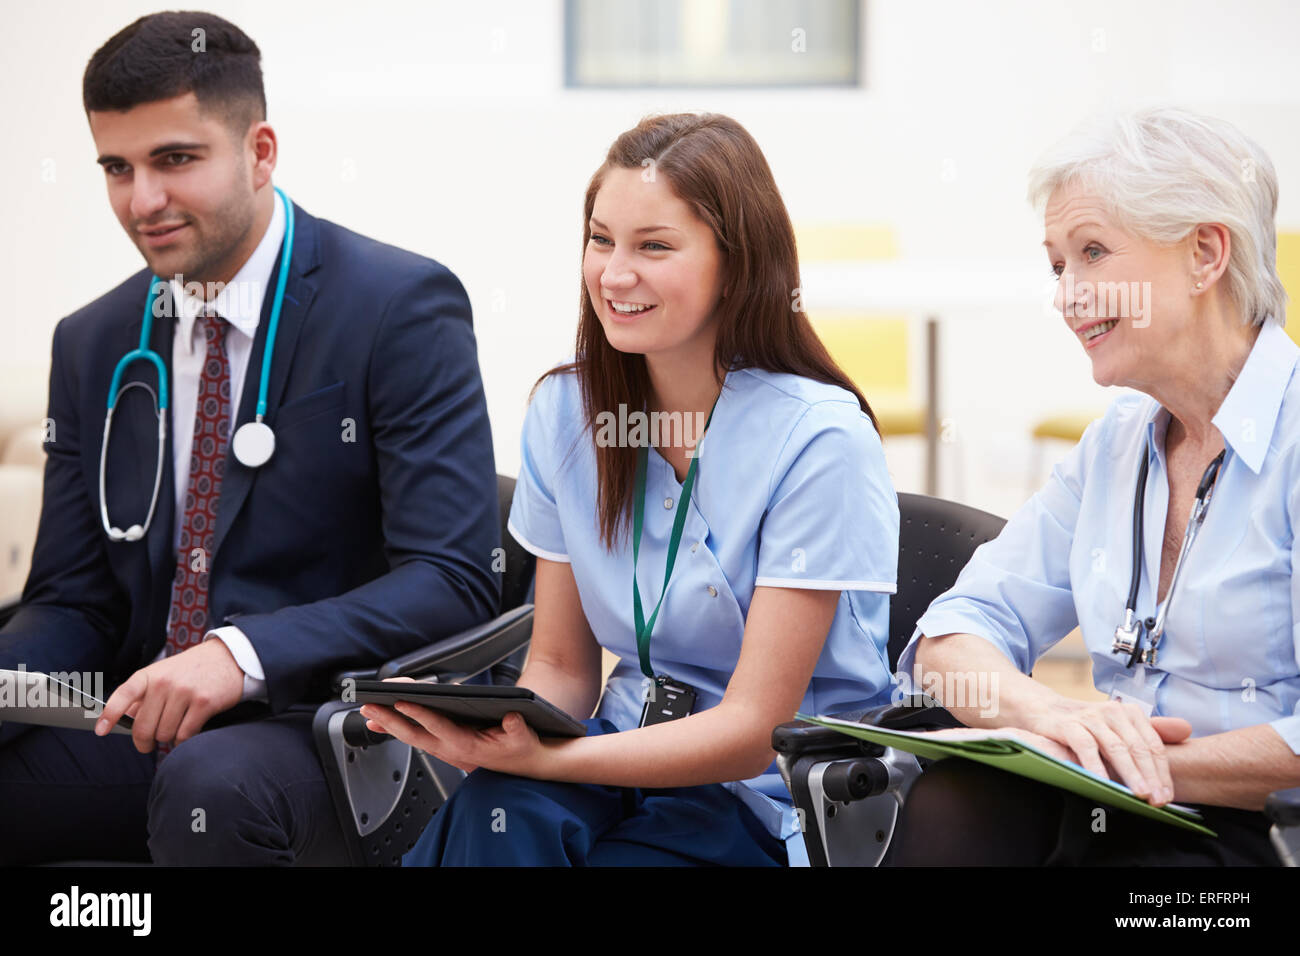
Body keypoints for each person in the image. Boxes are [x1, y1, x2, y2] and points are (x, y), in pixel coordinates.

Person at [0, 11, 500, 865]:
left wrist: (239, 654)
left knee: (212, 784)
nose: (142, 201)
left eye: (175, 160)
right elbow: (74, 602)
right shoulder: (94, 341)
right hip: (146, 719)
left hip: (332, 726)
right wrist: (9, 680)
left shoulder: (398, 307)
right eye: (117, 168)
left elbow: (454, 581)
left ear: (260, 151)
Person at [360, 112, 900, 866]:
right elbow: (562, 669)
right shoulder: (566, 414)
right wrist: (487, 729)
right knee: (497, 816)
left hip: (764, 794)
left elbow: (753, 730)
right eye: (601, 239)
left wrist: (549, 762)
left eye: (654, 246)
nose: (615, 274)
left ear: (737, 264)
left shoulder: (819, 438)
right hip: (614, 754)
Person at [887, 107, 1298, 866]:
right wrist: (1048, 714)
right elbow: (947, 641)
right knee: (954, 803)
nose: (1067, 296)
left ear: (1205, 254)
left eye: (1093, 253)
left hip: (1257, 828)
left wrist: (1126, 763)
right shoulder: (1114, 446)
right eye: (1057, 265)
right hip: (1116, 803)